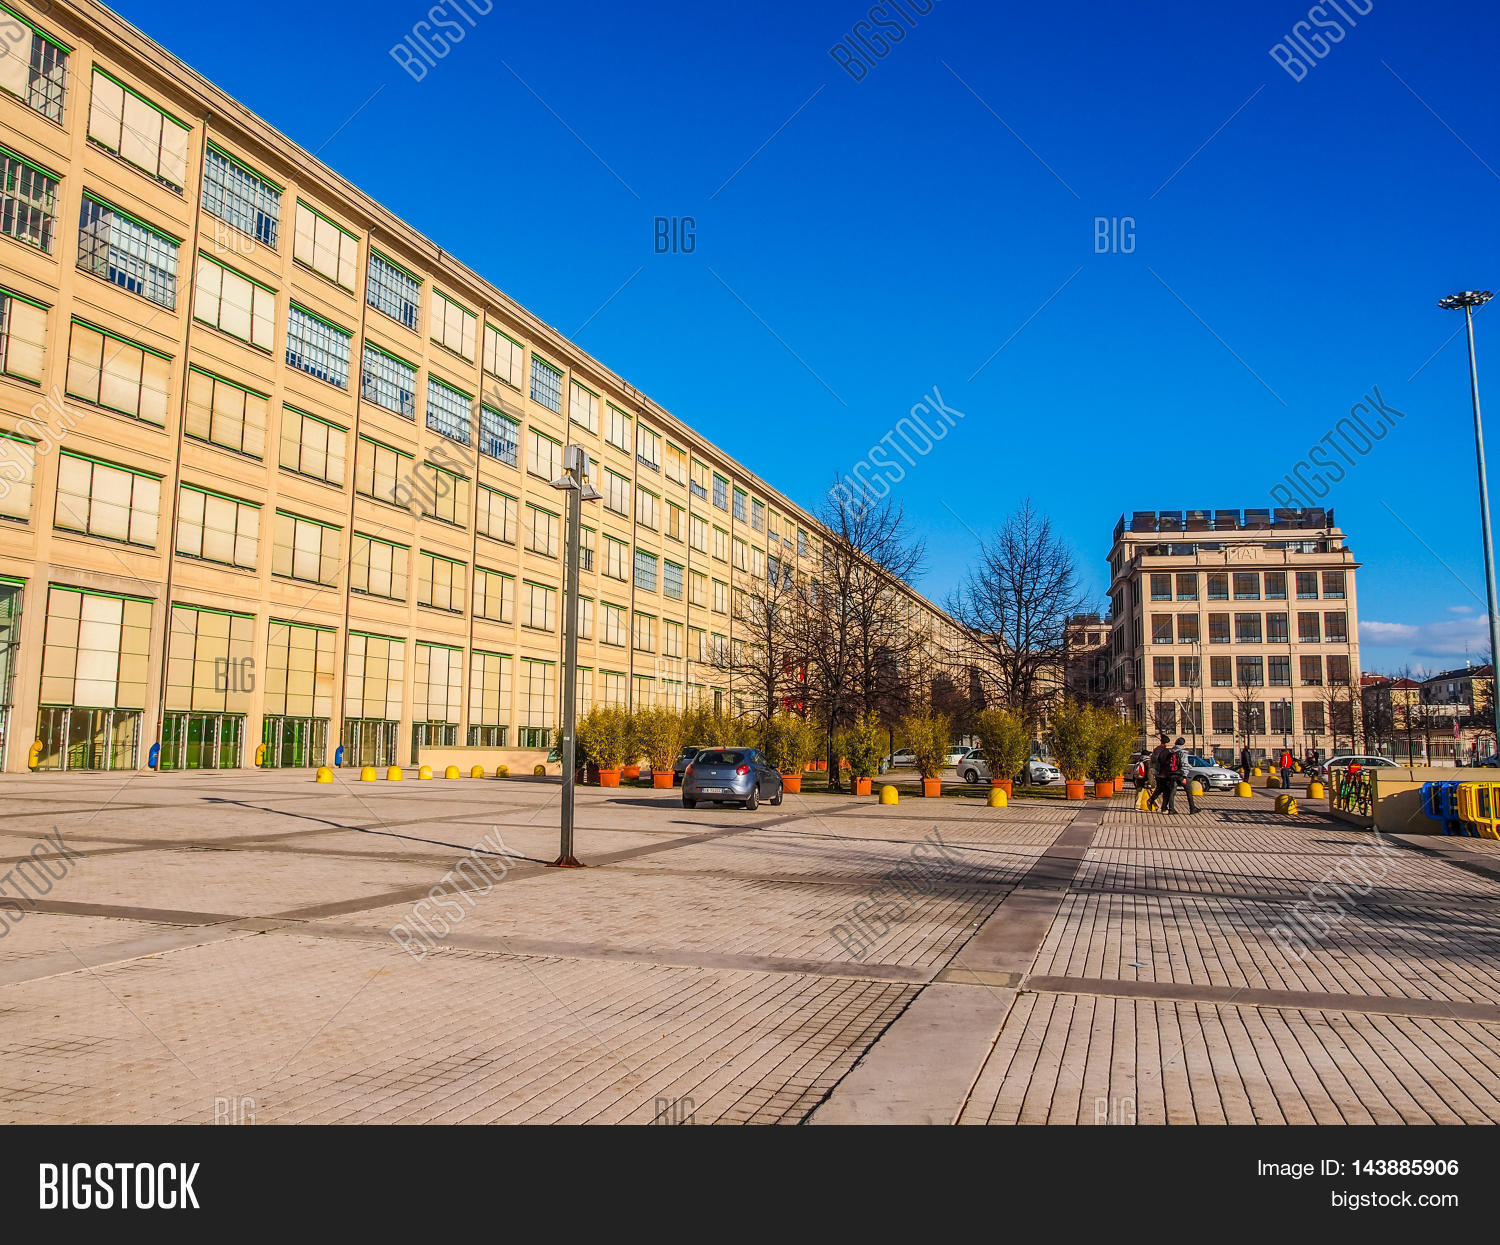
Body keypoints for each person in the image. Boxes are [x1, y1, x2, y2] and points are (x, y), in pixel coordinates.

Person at [1148, 733, 1177, 812]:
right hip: (1164, 773)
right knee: (1166, 791)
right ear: (1166, 743)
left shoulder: (1156, 749)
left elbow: (1153, 760)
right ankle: (1164, 807)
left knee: (1159, 788)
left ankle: (1151, 800)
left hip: (1157, 773)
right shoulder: (1165, 751)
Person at [1172, 736, 1197, 813]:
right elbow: (1184, 764)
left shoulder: (1171, 751)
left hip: (1172, 773)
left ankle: (1171, 809)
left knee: (1172, 792)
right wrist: (1184, 776)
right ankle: (1192, 808)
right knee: (1188, 791)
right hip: (1180, 774)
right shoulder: (1182, 752)